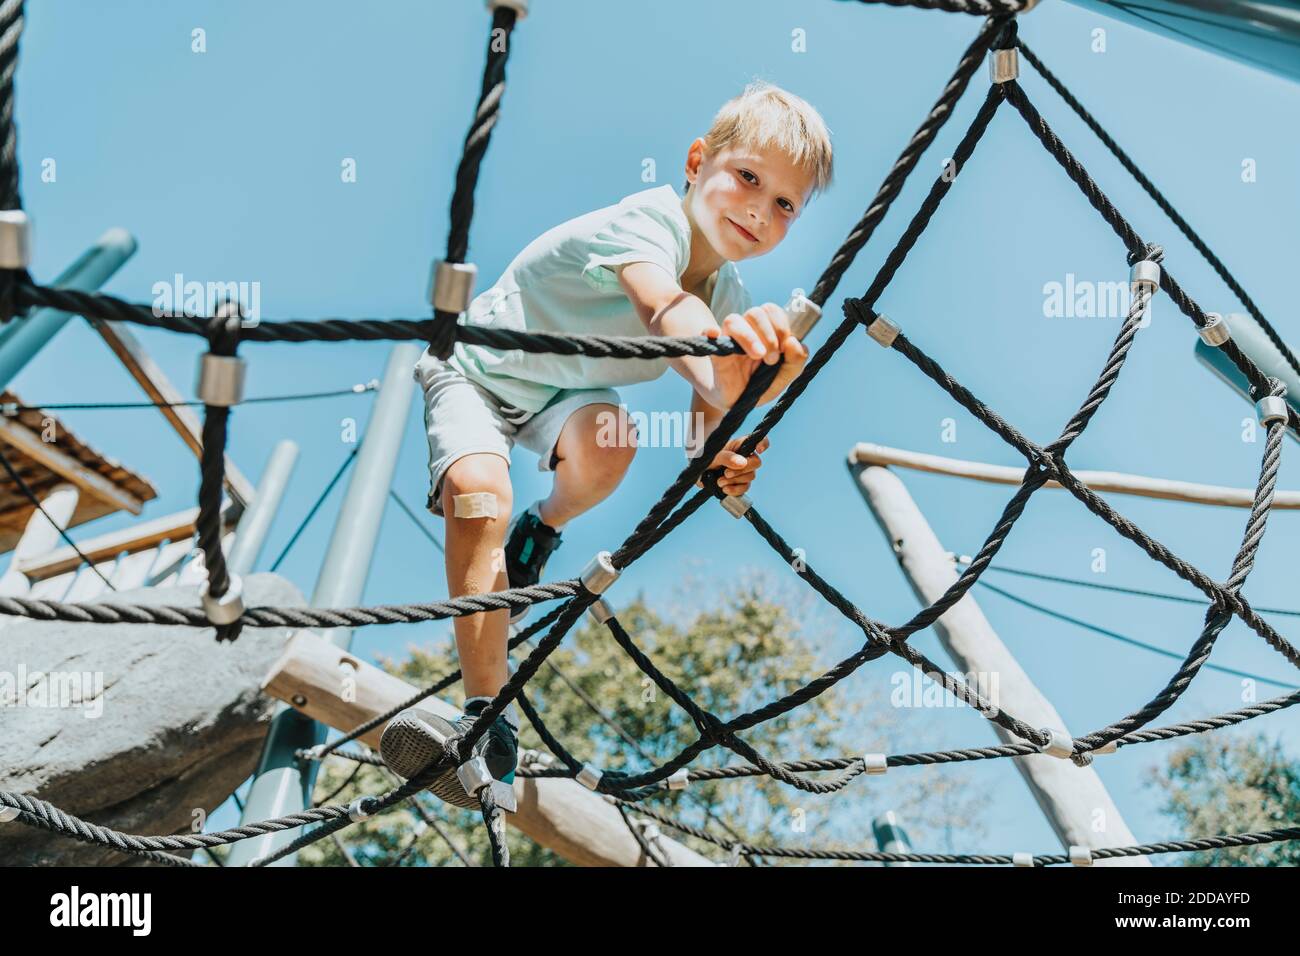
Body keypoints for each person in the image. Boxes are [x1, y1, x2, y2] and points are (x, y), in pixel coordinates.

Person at [380, 80, 834, 807]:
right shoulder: (647, 224)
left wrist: (728, 447)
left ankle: (542, 531)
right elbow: (663, 309)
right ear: (696, 163)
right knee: (477, 492)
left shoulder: (730, 298)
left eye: (785, 203)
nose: (759, 207)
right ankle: (483, 715)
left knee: (611, 444)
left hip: (562, 393)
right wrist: (734, 371)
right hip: (477, 367)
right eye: (748, 177)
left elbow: (705, 425)